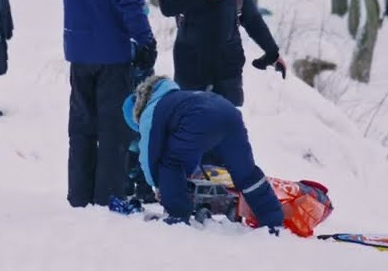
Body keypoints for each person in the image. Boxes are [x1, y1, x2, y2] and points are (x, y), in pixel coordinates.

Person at [49, 0, 157, 208]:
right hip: (113, 54)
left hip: (78, 51)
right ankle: (108, 195)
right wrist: (147, 40)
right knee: (113, 129)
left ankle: (79, 194)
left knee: (81, 125)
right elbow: (131, 6)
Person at [122, 75, 285, 232]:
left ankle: (177, 217)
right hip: (228, 111)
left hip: (199, 118)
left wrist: (158, 185)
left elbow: (149, 156)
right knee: (246, 173)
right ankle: (273, 220)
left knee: (169, 162)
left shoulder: (149, 112)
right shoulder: (177, 96)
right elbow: (190, 149)